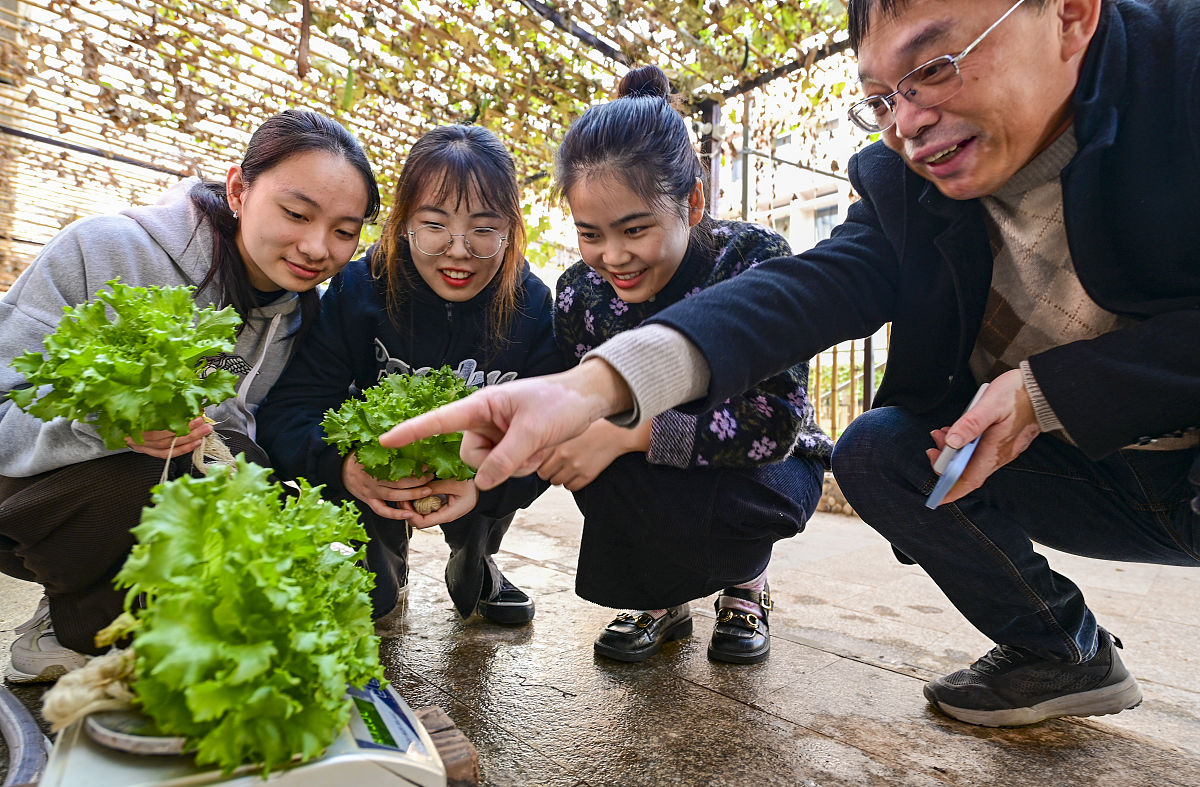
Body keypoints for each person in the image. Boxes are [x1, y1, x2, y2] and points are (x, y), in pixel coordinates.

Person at [381, 0, 1200, 728]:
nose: (906, 122)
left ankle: (743, 577)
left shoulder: (1182, 73)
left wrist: (1045, 390)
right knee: (881, 449)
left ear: (1070, 14)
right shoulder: (905, 185)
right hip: (1092, 472)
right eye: (882, 96)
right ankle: (1063, 647)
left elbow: (773, 420)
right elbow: (809, 290)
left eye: (936, 66)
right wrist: (593, 391)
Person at [0, 109, 380, 682]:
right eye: (296, 214)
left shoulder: (300, 310)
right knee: (156, 476)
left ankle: (126, 624)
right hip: (34, 489)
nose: (316, 246)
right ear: (238, 189)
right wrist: (107, 427)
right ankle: (68, 614)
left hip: (154, 485)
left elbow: (249, 431)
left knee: (259, 484)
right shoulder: (103, 249)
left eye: (344, 231)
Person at [541, 66, 830, 664]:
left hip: (766, 468)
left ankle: (746, 583)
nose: (612, 257)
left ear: (692, 202)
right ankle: (660, 598)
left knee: (623, 452)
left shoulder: (752, 259)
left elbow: (773, 426)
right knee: (592, 460)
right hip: (650, 465)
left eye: (635, 229)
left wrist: (628, 435)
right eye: (589, 233)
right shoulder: (578, 293)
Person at [256, 125, 562, 632]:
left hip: (477, 478)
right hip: (373, 486)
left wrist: (484, 490)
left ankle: (477, 558)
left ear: (510, 230)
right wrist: (343, 467)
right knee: (373, 602)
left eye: (484, 228)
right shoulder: (359, 287)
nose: (458, 250)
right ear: (403, 224)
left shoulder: (530, 304)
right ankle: (384, 568)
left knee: (495, 461)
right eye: (434, 224)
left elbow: (551, 433)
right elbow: (292, 408)